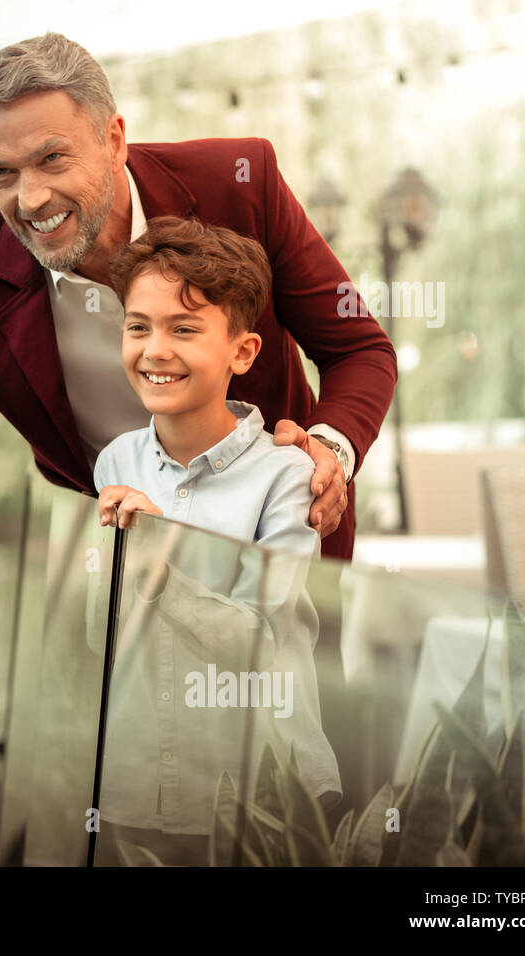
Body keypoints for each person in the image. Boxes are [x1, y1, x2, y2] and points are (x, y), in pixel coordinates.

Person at [0, 32, 395, 561]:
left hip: (284, 548)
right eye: (3, 172)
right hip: (107, 577)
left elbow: (360, 350)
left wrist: (329, 452)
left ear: (114, 139)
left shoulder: (241, 182)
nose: (32, 198)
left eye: (52, 158)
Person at [91, 215, 340, 866]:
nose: (154, 350)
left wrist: (153, 555)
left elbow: (257, 645)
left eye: (184, 329)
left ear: (242, 352)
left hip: (262, 793)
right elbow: (105, 636)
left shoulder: (287, 478)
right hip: (137, 787)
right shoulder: (115, 462)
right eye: (138, 326)